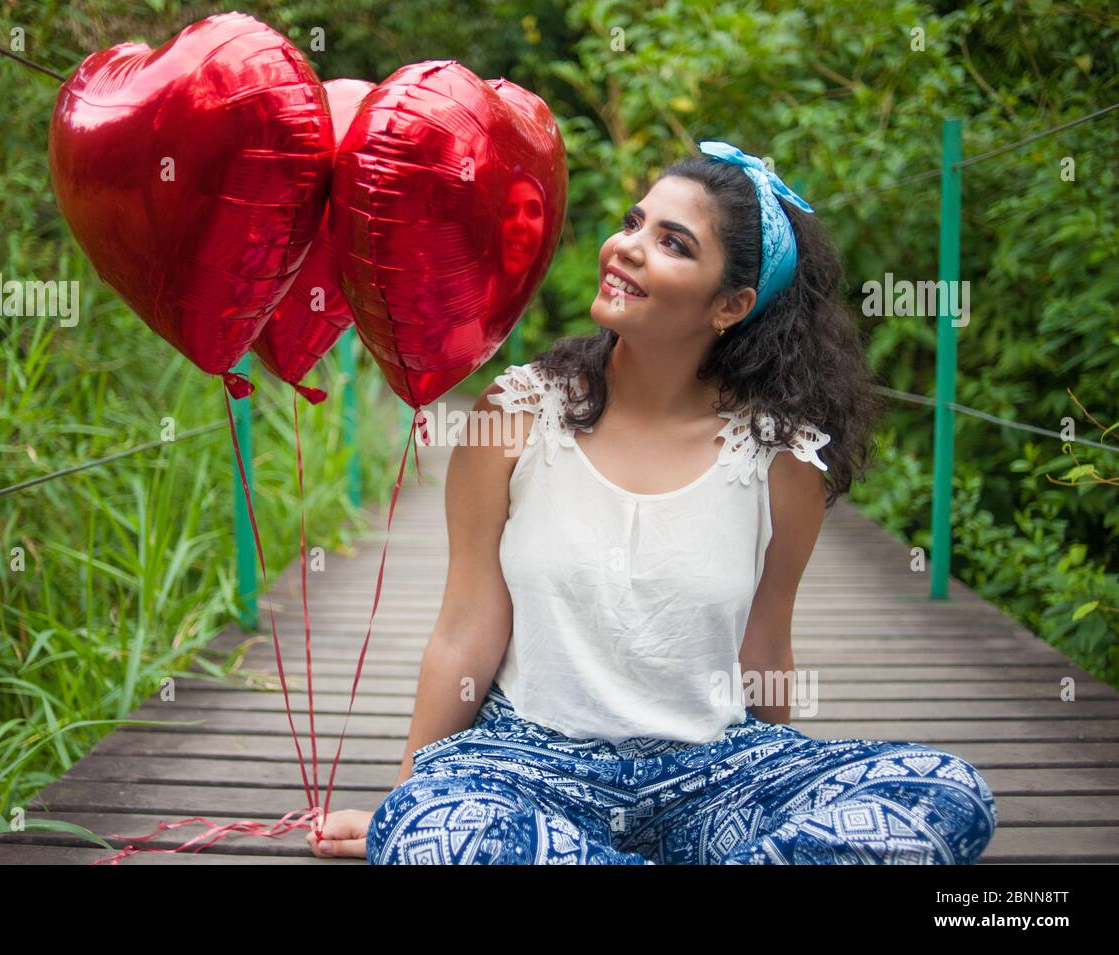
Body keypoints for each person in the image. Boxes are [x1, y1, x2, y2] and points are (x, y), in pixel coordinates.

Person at [307, 141, 999, 864]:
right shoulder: (515, 413)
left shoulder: (780, 456)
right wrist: (406, 798)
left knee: (948, 789)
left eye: (671, 242)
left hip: (710, 775)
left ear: (731, 304)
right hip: (527, 767)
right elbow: (463, 630)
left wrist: (778, 798)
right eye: (635, 222)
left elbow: (765, 648)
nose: (627, 248)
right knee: (439, 829)